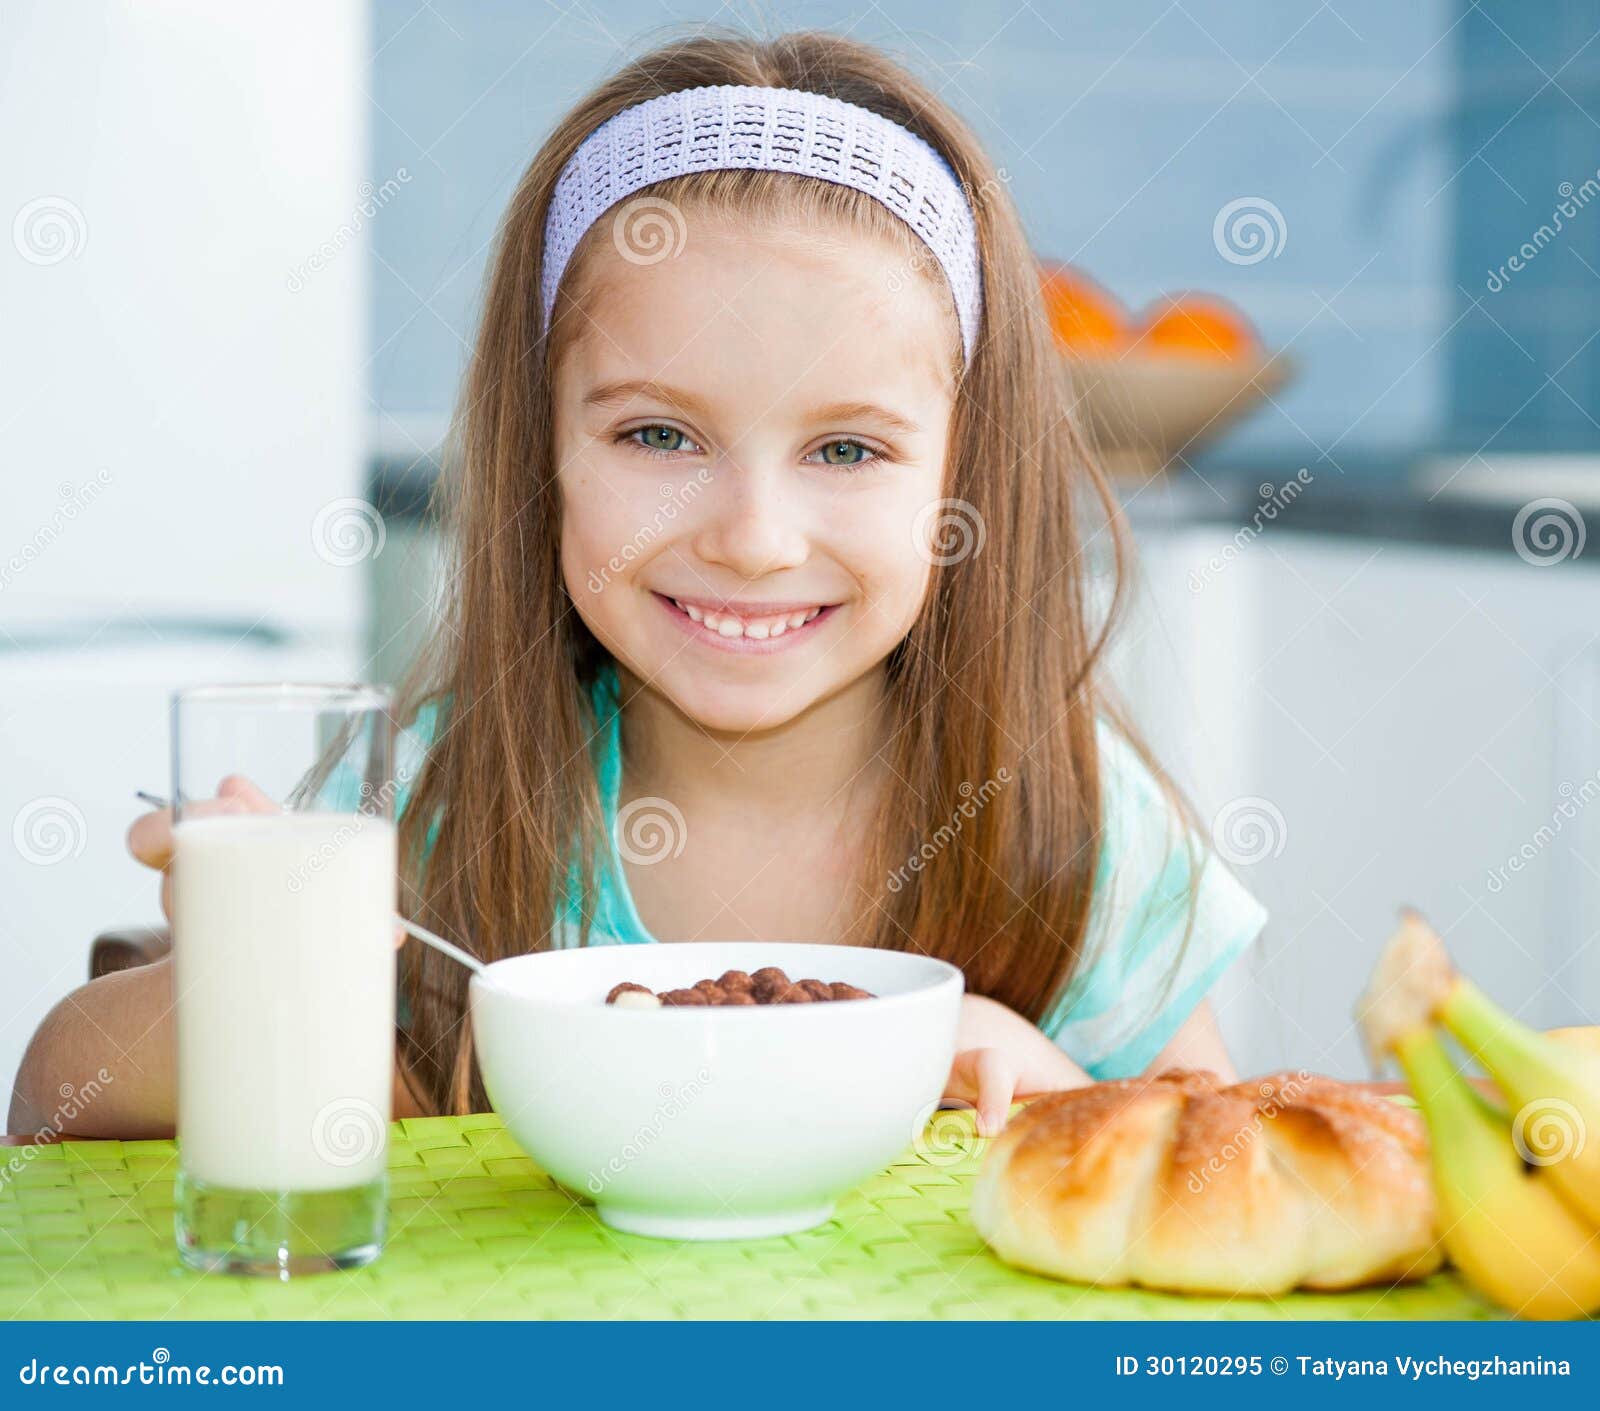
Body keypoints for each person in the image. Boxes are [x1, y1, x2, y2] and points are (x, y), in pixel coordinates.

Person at [10, 28, 1265, 1142]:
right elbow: (50, 1107)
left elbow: (1221, 1157)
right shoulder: (411, 810)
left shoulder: (1071, 818)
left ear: (961, 473)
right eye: (659, 437)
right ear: (539, 453)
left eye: (846, 449)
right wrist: (243, 970)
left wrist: (1047, 1086)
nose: (753, 538)